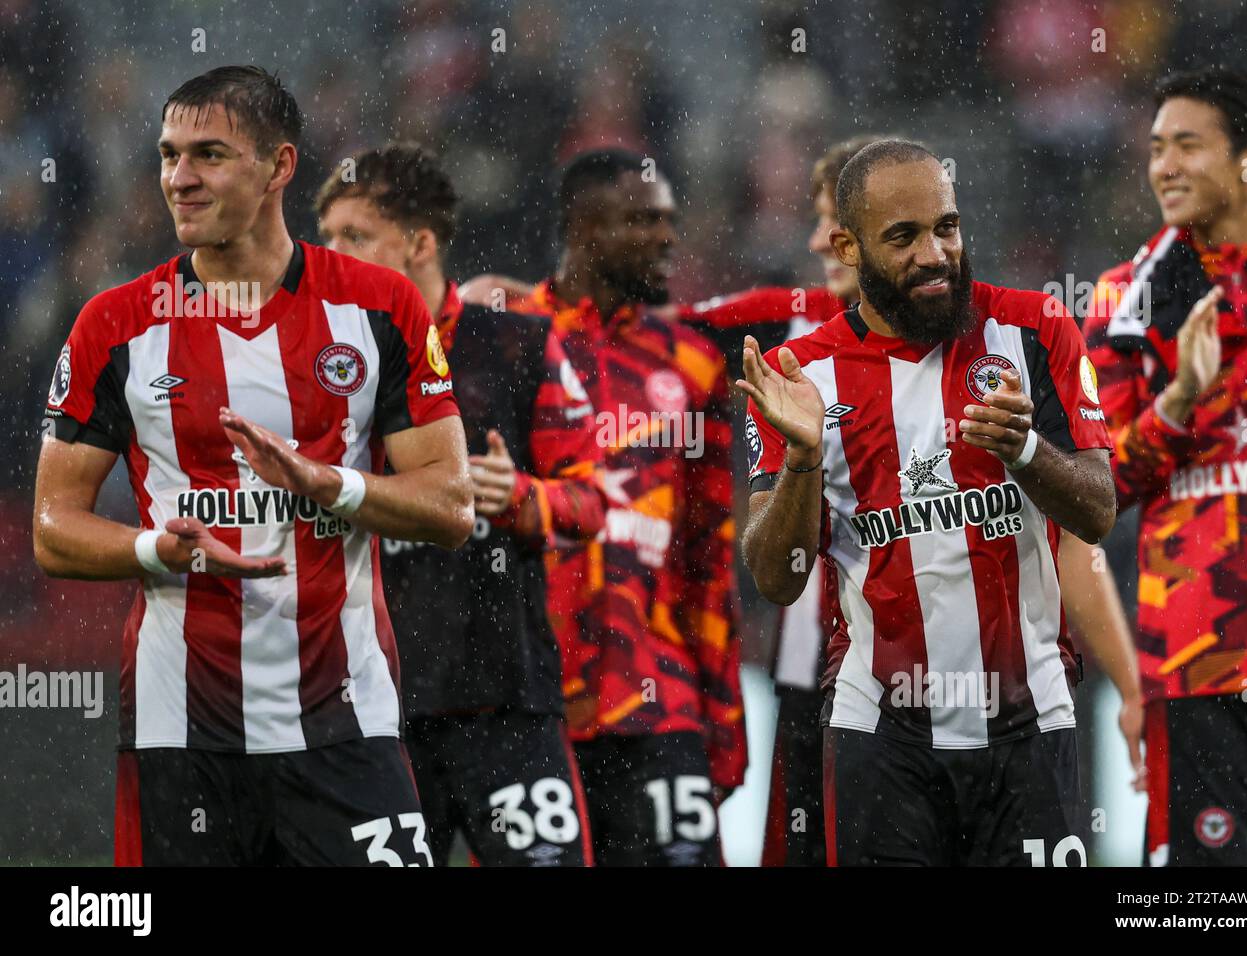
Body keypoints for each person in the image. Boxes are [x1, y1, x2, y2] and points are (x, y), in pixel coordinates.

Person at [32, 66, 474, 866]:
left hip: (345, 718)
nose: (179, 178)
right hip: (183, 726)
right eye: (168, 156)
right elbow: (52, 529)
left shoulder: (382, 308)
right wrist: (155, 549)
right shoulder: (115, 325)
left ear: (279, 167)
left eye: (208, 154)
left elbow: (450, 507)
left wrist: (327, 484)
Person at [740, 139, 1116, 866]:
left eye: (946, 227)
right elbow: (777, 576)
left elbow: (1098, 510)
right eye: (903, 237)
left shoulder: (1037, 330)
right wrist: (803, 459)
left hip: (1028, 726)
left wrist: (1027, 451)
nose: (935, 254)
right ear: (847, 247)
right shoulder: (803, 375)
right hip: (881, 737)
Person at [315, 142, 605, 866]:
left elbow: (594, 502)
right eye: (325, 240)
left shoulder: (519, 345)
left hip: (504, 707)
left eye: (354, 236)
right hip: (369, 719)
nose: (332, 256)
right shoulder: (316, 366)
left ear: (419, 242)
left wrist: (523, 498)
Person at [464, 148, 746, 865]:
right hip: (526, 698)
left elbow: (705, 553)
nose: (667, 238)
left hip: (659, 696)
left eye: (670, 220)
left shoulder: (693, 364)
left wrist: (724, 713)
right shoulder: (500, 333)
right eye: (643, 220)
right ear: (581, 225)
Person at [1083, 66, 1247, 866]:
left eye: (1187, 145)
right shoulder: (1122, 303)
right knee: (1205, 914)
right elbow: (1098, 495)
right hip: (1200, 660)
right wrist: (1176, 404)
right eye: (1154, 149)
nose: (1163, 166)